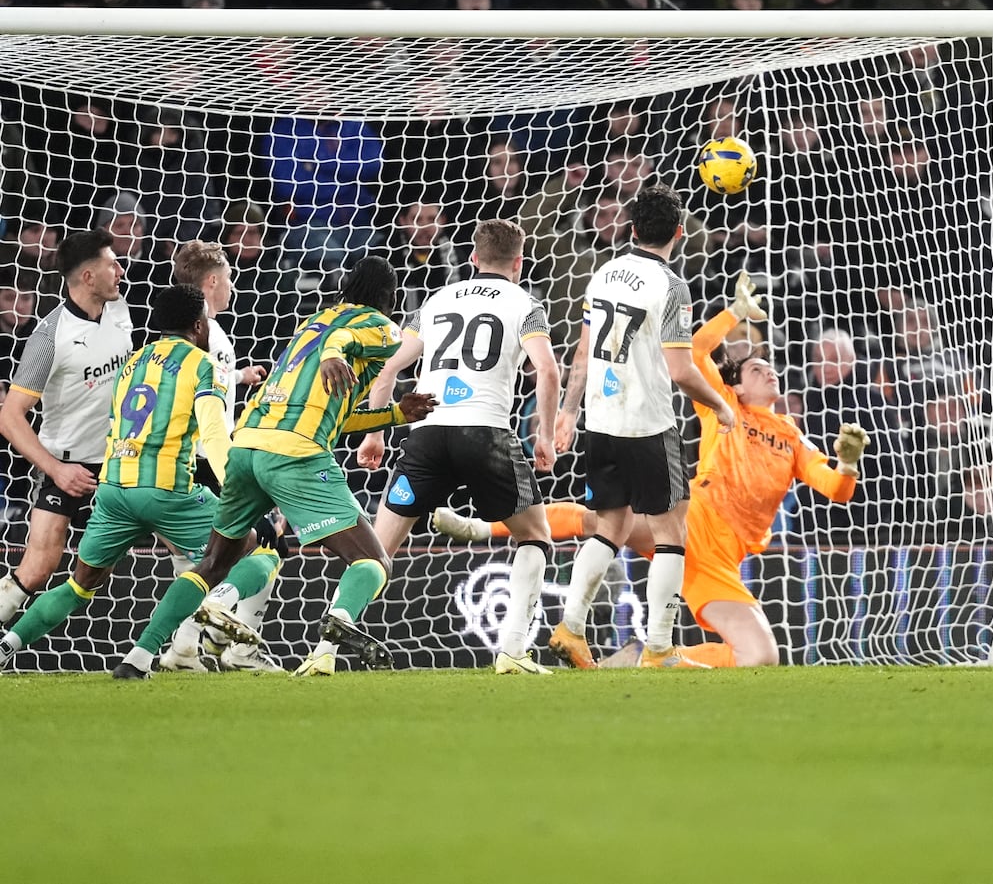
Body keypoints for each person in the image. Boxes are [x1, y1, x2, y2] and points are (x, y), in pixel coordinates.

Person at [438, 272, 869, 668]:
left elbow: (837, 489)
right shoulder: (724, 406)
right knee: (601, 520)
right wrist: (733, 313)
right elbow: (695, 352)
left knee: (760, 655)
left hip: (721, 561)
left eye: (771, 368)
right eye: (758, 368)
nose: (771, 371)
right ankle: (483, 527)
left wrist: (847, 462)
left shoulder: (794, 438)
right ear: (736, 386)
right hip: (693, 518)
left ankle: (651, 659)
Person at [110, 257, 437, 678]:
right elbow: (343, 344)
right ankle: (317, 616)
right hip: (294, 454)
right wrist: (334, 356)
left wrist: (394, 414)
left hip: (245, 446)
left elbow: (336, 415)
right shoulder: (381, 326)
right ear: (389, 297)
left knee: (215, 561)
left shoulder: (312, 323)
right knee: (372, 562)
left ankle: (139, 658)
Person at [353, 220, 560, 675]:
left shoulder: (436, 301)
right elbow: (547, 370)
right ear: (519, 263)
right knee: (536, 537)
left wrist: (374, 433)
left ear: (472, 259)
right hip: (484, 433)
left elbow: (387, 370)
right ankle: (511, 652)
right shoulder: (527, 304)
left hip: (426, 433)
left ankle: (325, 644)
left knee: (376, 552)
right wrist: (544, 437)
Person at [547, 184, 737, 670]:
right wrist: (720, 404)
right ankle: (658, 648)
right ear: (678, 232)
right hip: (648, 425)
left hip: (602, 421)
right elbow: (680, 370)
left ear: (631, 229)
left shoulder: (604, 273)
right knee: (673, 532)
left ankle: (570, 627)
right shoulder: (671, 286)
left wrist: (568, 412)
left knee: (610, 526)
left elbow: (582, 351)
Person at [0, 287, 231, 671]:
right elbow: (214, 435)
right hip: (166, 490)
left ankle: (8, 643)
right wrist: (239, 494)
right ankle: (149, 654)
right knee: (249, 549)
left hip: (113, 488)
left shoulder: (133, 362)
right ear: (197, 324)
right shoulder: (201, 363)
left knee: (80, 584)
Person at [0, 230, 131, 629]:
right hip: (68, 466)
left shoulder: (121, 308)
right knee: (39, 566)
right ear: (88, 277)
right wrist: (57, 471)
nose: (120, 270)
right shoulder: (49, 336)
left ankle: (187, 645)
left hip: (123, 461)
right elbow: (9, 416)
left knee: (182, 540)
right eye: (112, 263)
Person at [159, 241, 275, 673]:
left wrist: (241, 376)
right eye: (227, 278)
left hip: (180, 460)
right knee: (264, 543)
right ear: (211, 281)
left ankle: (185, 647)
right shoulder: (208, 333)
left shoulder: (191, 335)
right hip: (210, 459)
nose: (232, 287)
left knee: (197, 561)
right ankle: (238, 648)